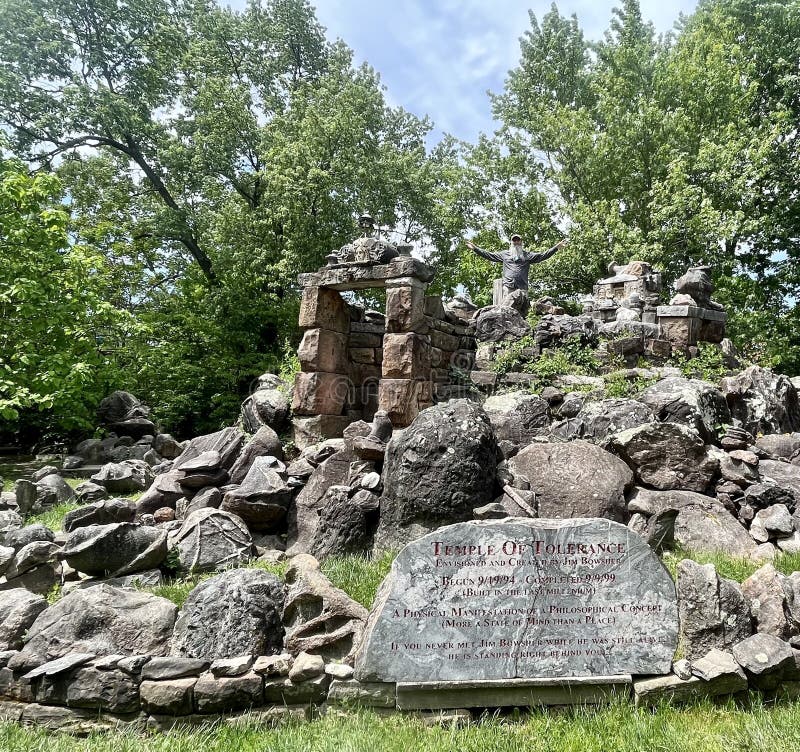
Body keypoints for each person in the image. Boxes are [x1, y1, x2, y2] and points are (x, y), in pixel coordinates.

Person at [465, 234, 567, 298]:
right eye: (514, 240)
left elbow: (543, 255)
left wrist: (556, 247)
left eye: (518, 240)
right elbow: (489, 255)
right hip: (508, 287)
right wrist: (475, 249)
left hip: (522, 288)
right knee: (507, 311)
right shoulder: (505, 254)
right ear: (511, 242)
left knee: (522, 313)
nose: (516, 242)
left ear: (521, 242)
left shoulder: (527, 255)